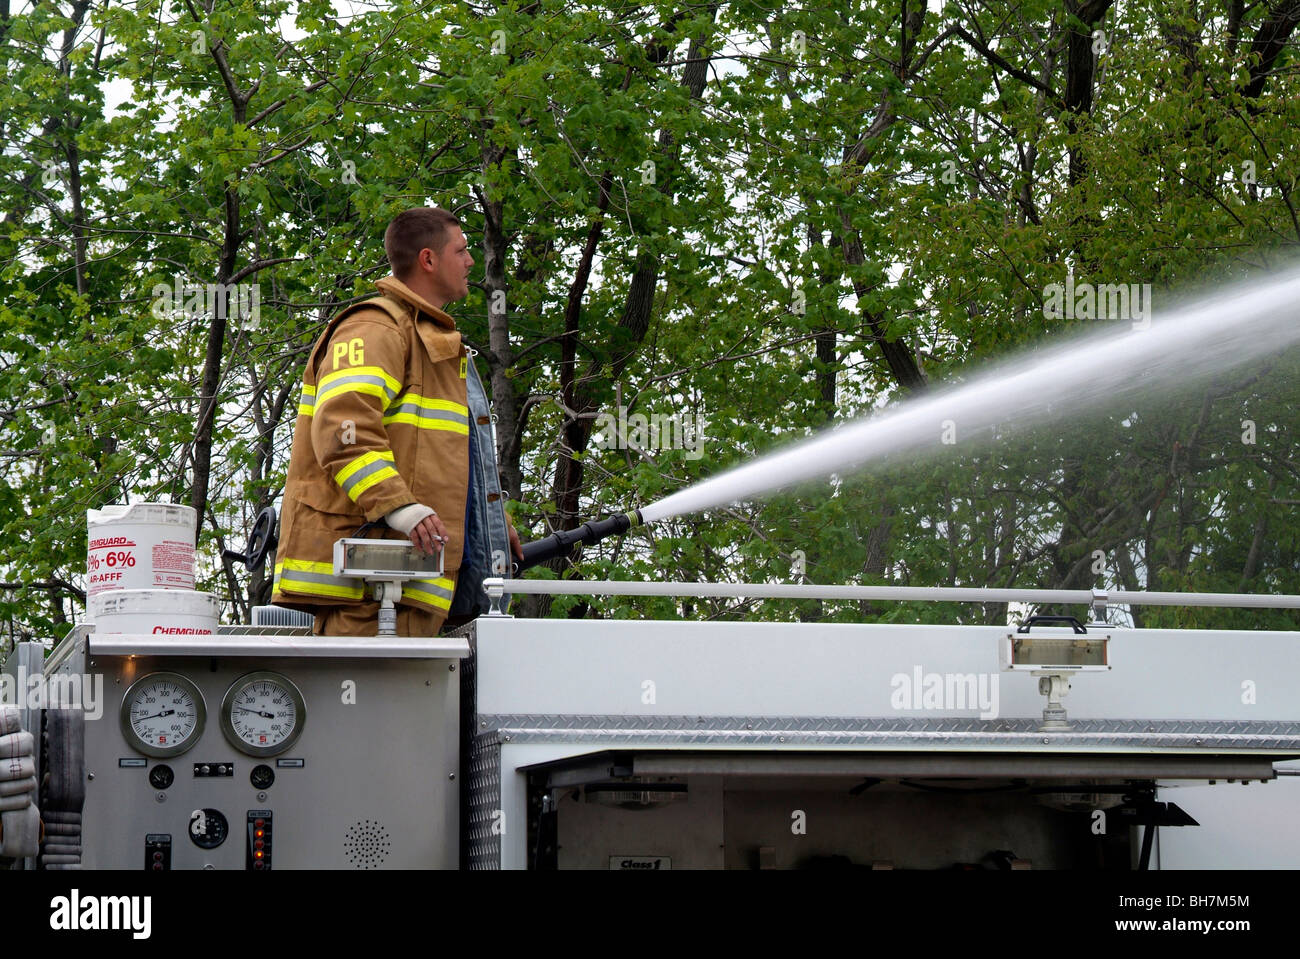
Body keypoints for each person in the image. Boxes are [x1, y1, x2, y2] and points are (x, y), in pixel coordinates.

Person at [271, 207, 523, 635]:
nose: (469, 263)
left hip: (411, 584)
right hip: (372, 588)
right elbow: (343, 430)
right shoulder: (377, 328)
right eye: (461, 251)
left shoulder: (430, 343)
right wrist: (399, 507)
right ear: (428, 259)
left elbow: (441, 461)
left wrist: (489, 527)